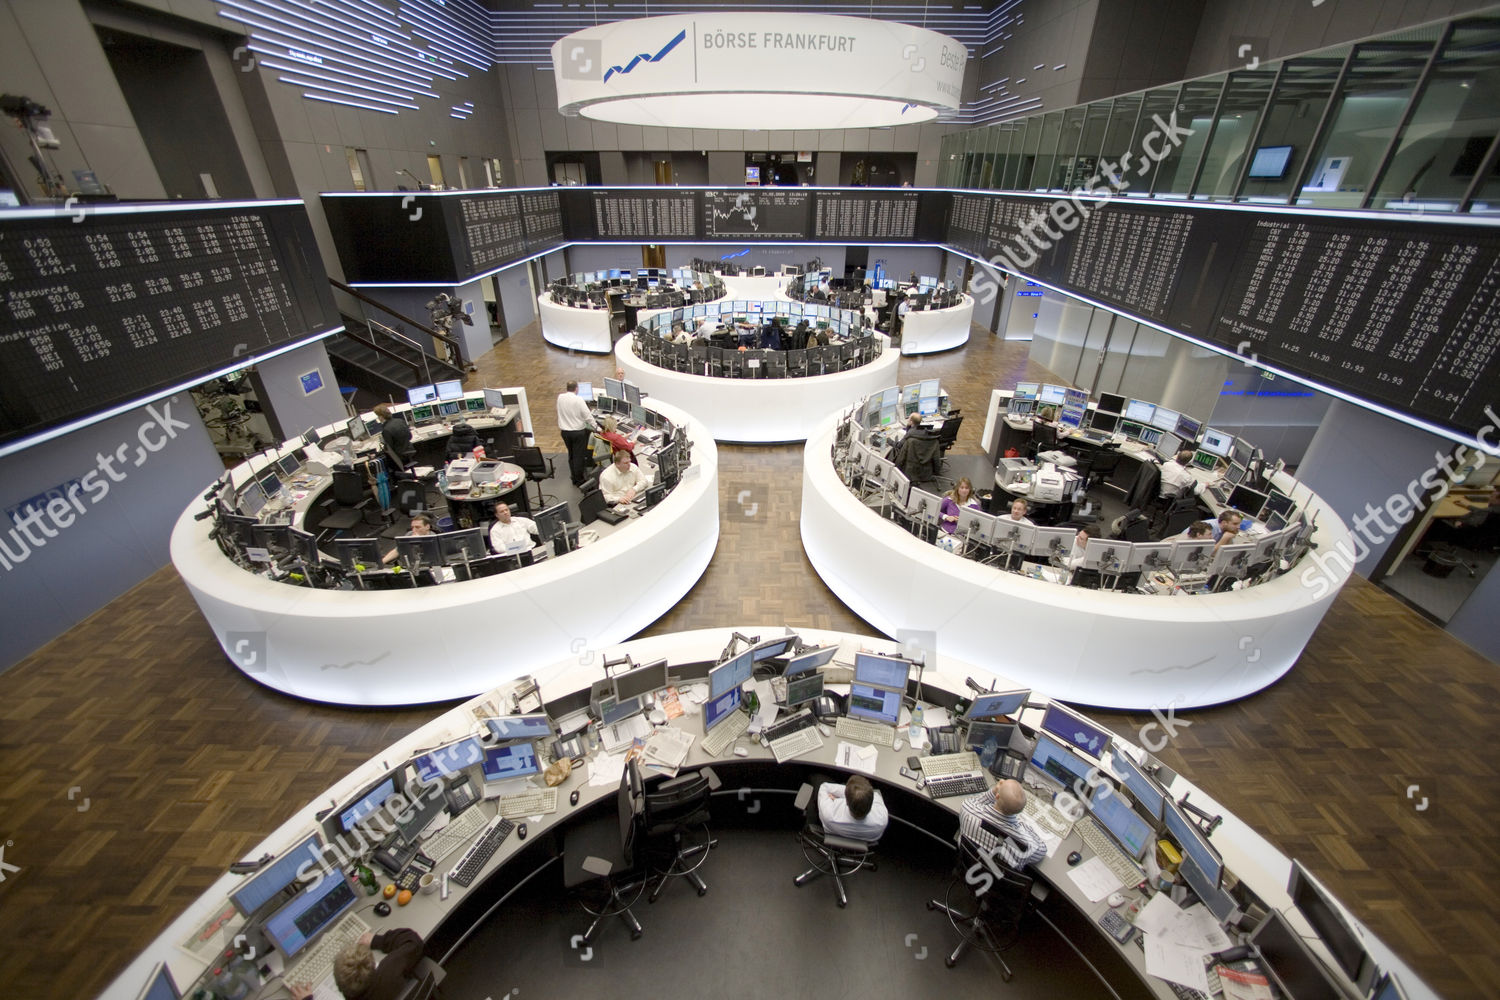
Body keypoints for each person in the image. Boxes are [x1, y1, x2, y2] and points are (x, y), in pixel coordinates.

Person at [289, 928, 424, 1000]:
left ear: (340, 989)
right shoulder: (389, 972)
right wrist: (377, 940)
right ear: (373, 965)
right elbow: (413, 941)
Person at [958, 779, 1047, 869]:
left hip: (967, 864)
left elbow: (974, 801)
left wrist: (993, 792)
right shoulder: (1026, 846)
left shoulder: (969, 812)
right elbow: (1042, 850)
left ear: (997, 796)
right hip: (998, 876)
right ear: (1020, 811)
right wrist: (1021, 824)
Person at [809, 774, 887, 842]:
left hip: (834, 833)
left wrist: (837, 799)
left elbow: (824, 787)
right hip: (865, 841)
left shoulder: (829, 813)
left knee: (816, 777)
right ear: (871, 803)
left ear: (846, 802)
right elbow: (876, 795)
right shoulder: (882, 818)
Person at [556, 380, 599, 487]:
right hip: (577, 433)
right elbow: (587, 416)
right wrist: (596, 427)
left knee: (571, 454)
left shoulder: (560, 397)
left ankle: (574, 476)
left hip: (565, 432)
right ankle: (579, 480)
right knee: (578, 456)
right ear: (576, 388)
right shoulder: (579, 399)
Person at [374, 403, 414, 472]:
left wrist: (378, 454)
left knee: (382, 460)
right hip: (410, 449)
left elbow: (390, 449)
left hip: (400, 456)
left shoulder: (386, 430)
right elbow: (410, 436)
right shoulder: (400, 421)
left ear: (381, 417)